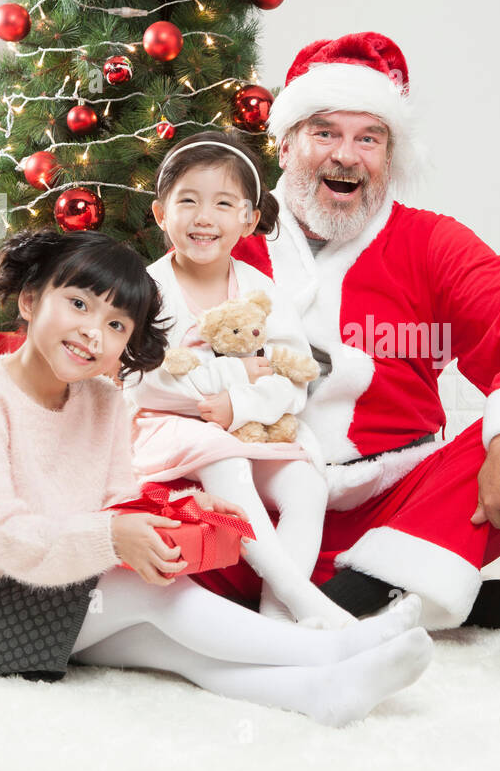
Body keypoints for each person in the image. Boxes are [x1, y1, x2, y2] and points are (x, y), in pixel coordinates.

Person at [0, 229, 432, 726]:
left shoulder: (105, 399)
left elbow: (119, 499)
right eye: (78, 304)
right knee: (153, 593)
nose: (94, 330)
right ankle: (331, 645)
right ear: (29, 301)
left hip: (63, 587)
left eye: (117, 325)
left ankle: (323, 695)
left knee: (178, 647)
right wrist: (113, 539)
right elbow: (0, 536)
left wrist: (188, 510)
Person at [210, 31, 500, 631]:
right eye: (325, 132)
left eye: (368, 138)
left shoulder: (430, 241)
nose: (346, 156)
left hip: (393, 505)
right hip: (253, 500)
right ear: (287, 145)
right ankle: (406, 591)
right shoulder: (224, 230)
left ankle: (368, 584)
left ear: (390, 157)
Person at [124, 131, 354, 629]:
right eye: (188, 201)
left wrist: (242, 405)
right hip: (167, 425)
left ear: (247, 220)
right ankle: (307, 600)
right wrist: (233, 380)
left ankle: (277, 614)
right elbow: (144, 380)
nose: (204, 217)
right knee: (226, 459)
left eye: (223, 204)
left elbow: (291, 378)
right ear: (162, 213)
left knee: (306, 486)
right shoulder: (147, 289)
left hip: (251, 422)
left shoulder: (261, 292)